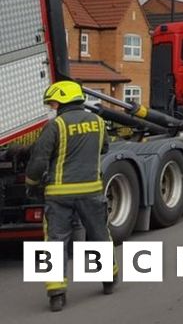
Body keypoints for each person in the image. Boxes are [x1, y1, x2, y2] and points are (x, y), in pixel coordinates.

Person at [25, 80, 116, 312]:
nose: (53, 107)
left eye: (54, 103)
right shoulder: (98, 121)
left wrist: (31, 182)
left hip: (59, 194)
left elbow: (39, 160)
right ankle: (109, 279)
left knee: (55, 242)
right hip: (91, 190)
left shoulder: (57, 125)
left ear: (63, 100)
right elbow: (104, 148)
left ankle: (56, 294)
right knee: (98, 233)